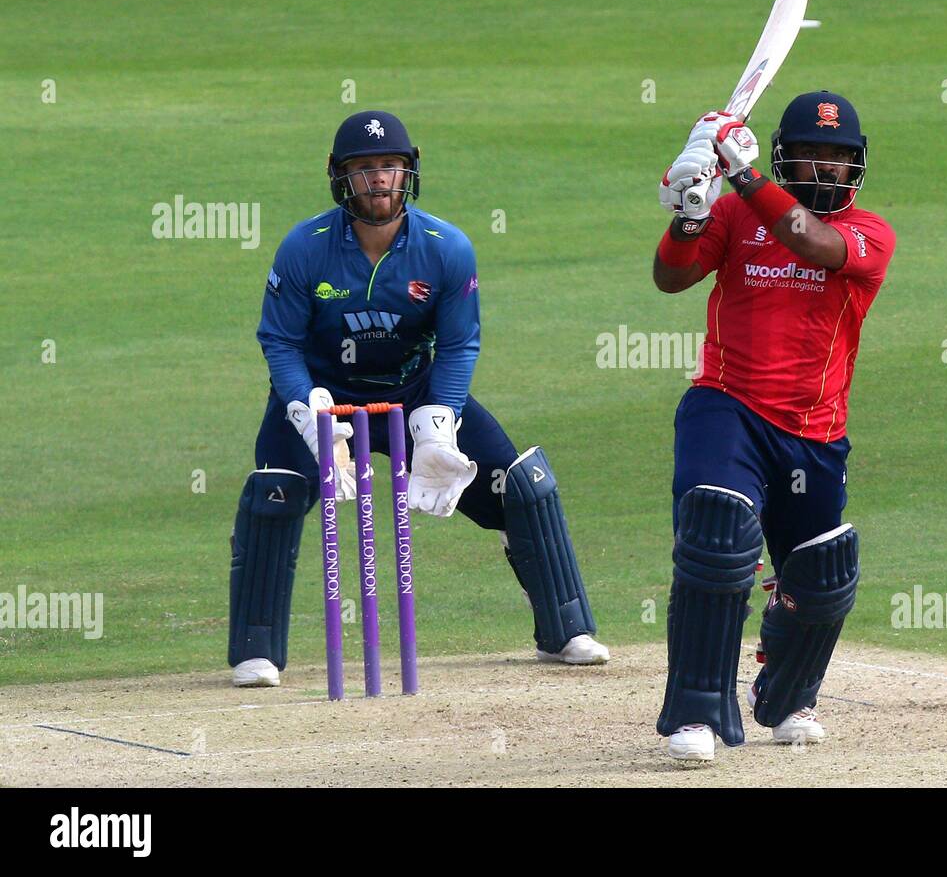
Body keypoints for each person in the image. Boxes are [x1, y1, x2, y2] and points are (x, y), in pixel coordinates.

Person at [228, 110, 608, 691]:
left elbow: (460, 343)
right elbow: (278, 340)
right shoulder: (304, 247)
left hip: (413, 392)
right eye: (364, 169)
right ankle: (256, 651)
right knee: (274, 492)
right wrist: (308, 415)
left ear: (408, 173)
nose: (378, 180)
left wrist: (439, 418)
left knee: (519, 487)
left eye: (390, 167)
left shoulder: (445, 248)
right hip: (326, 396)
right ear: (339, 176)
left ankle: (566, 630)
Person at [651, 91, 895, 761]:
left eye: (839, 157)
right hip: (727, 408)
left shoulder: (869, 233)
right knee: (718, 538)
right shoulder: (735, 213)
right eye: (812, 154)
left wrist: (741, 175)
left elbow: (809, 241)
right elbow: (670, 279)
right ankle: (696, 712)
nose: (825, 168)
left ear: (857, 166)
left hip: (815, 432)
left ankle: (785, 696)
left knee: (821, 579)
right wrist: (690, 215)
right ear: (786, 156)